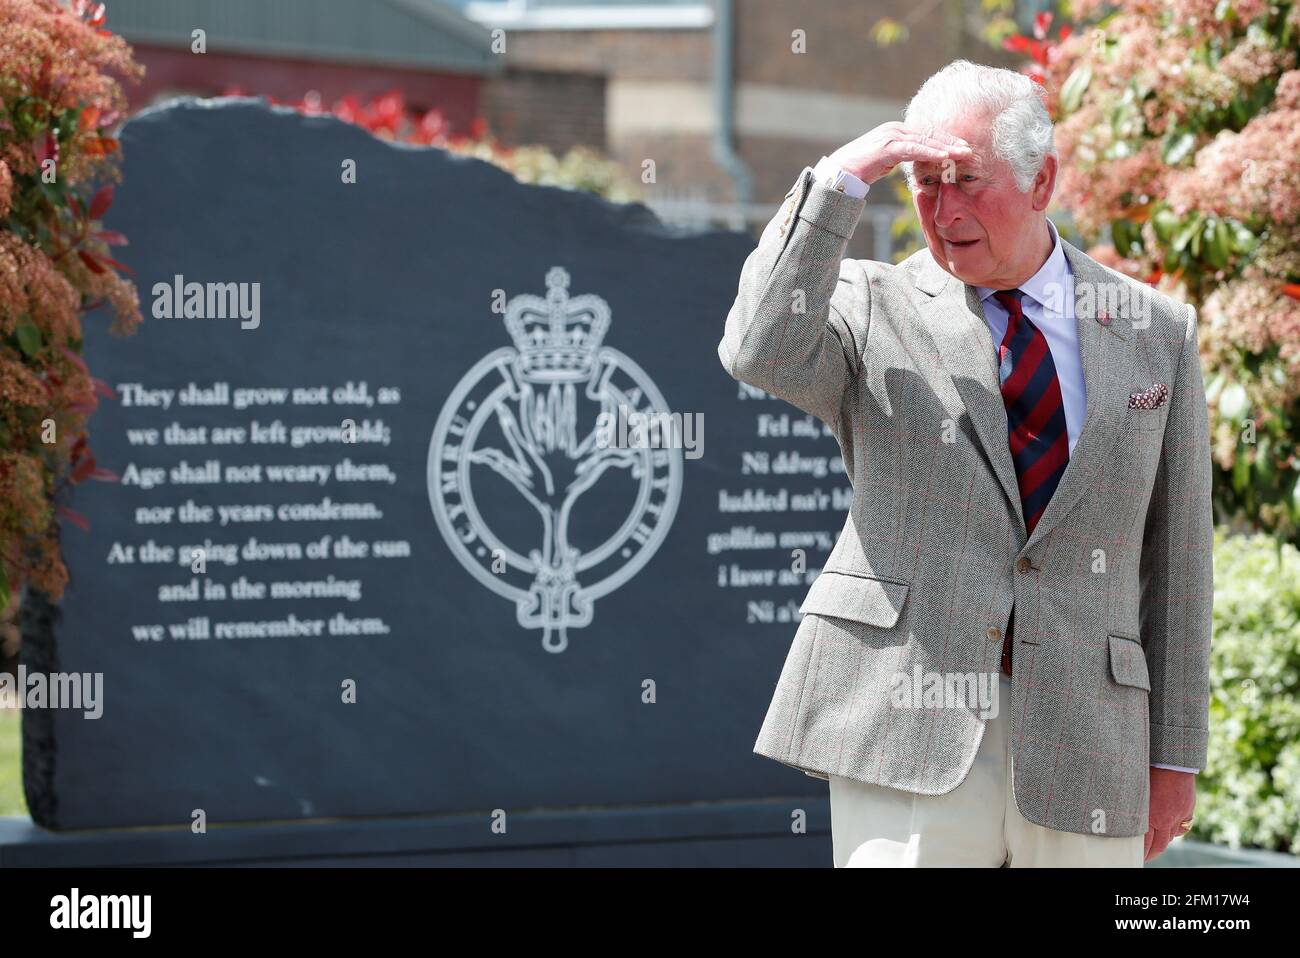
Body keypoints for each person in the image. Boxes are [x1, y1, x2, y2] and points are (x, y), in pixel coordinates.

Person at [718, 60, 1211, 867]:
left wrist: (1174, 757)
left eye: (967, 181)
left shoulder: (1156, 330)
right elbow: (759, 348)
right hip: (903, 720)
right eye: (921, 183)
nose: (943, 212)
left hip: (1090, 735)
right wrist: (841, 181)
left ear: (1042, 178)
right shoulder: (870, 303)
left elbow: (1180, 562)